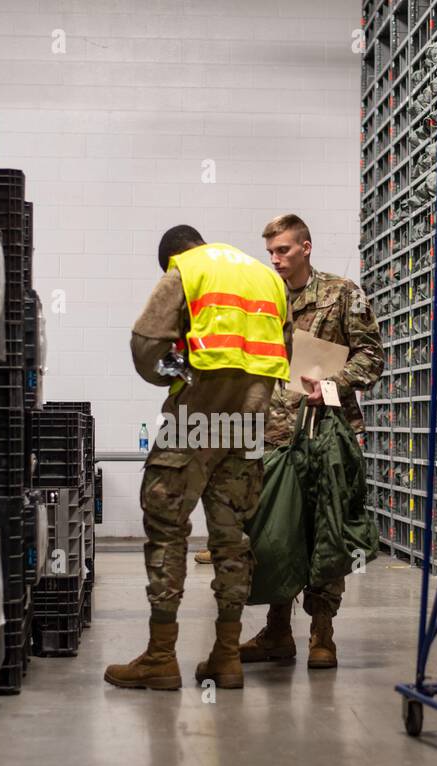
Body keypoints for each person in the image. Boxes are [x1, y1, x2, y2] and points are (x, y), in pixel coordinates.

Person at [104, 226, 291, 691]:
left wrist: (178, 372)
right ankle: (227, 657)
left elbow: (146, 344)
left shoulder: (185, 269)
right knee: (232, 538)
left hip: (197, 419)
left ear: (172, 255)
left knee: (167, 527)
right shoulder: (267, 278)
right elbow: (282, 347)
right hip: (248, 424)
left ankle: (161, 658)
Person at [237, 213, 384, 669]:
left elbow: (373, 357)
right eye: (270, 252)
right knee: (275, 534)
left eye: (282, 249)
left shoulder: (341, 293)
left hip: (326, 433)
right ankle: (278, 632)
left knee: (328, 530)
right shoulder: (264, 299)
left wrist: (333, 385)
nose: (275, 259)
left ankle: (323, 633)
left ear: (306, 247)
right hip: (274, 436)